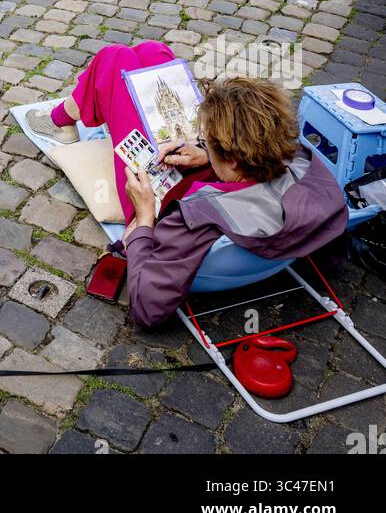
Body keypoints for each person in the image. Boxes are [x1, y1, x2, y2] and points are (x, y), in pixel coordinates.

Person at [26, 42, 347, 327]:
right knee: (154, 54)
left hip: (159, 203)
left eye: (208, 138)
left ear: (233, 160)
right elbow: (331, 238)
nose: (202, 139)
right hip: (237, 190)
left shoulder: (190, 220)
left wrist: (143, 221)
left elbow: (148, 310)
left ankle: (61, 118)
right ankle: (73, 110)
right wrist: (207, 155)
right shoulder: (302, 164)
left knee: (115, 59)